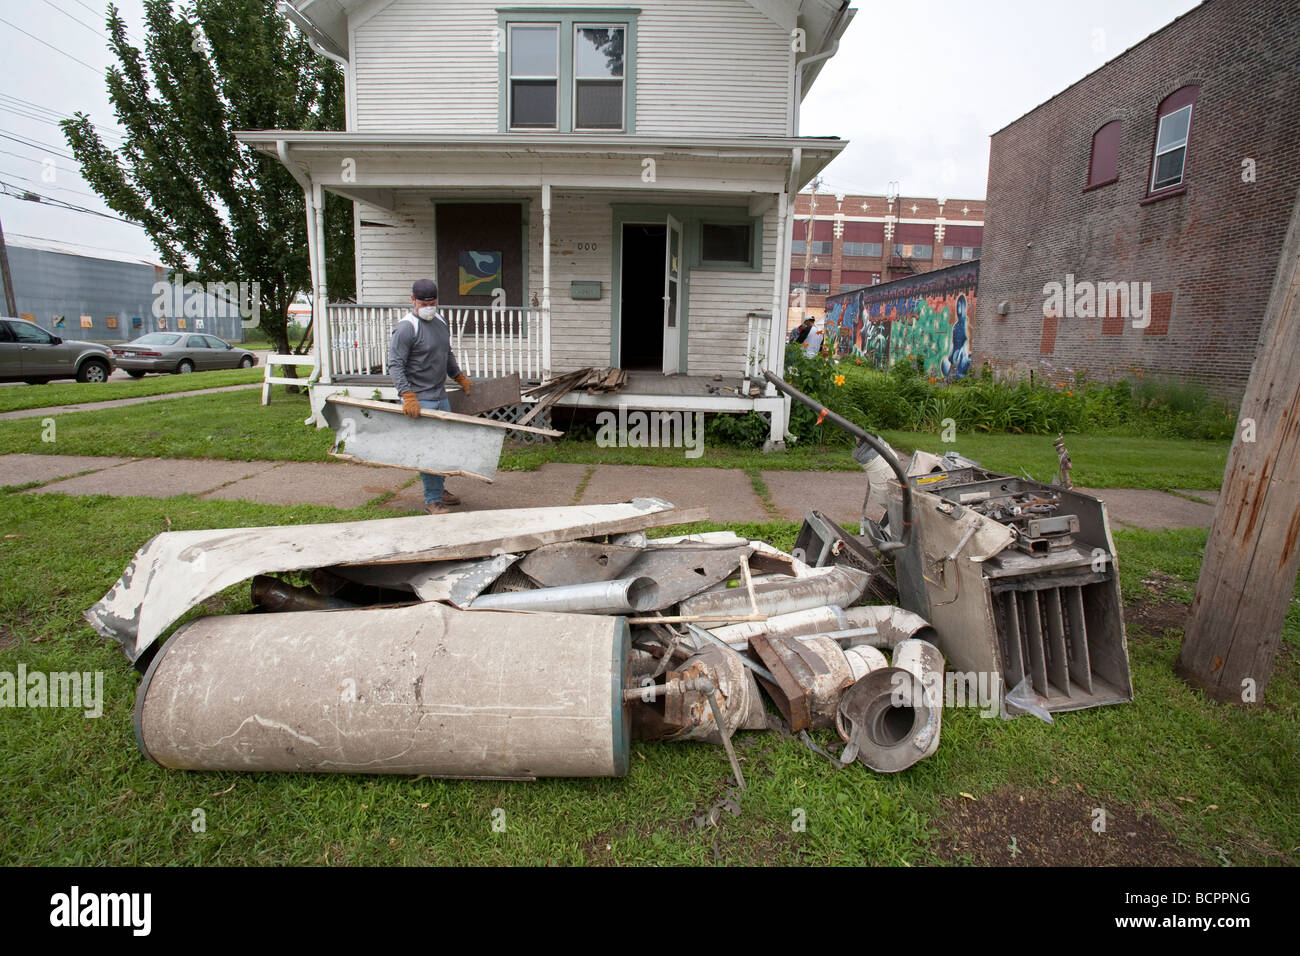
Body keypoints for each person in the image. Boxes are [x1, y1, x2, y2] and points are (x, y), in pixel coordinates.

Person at [390, 278, 473, 515]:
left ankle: (439, 488)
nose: (428, 306)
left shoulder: (439, 321)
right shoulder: (406, 328)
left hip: (440, 394)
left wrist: (458, 376)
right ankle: (432, 500)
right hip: (419, 398)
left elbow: (446, 353)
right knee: (429, 449)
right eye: (423, 302)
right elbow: (395, 365)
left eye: (432, 301)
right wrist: (407, 395)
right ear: (413, 299)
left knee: (443, 447)